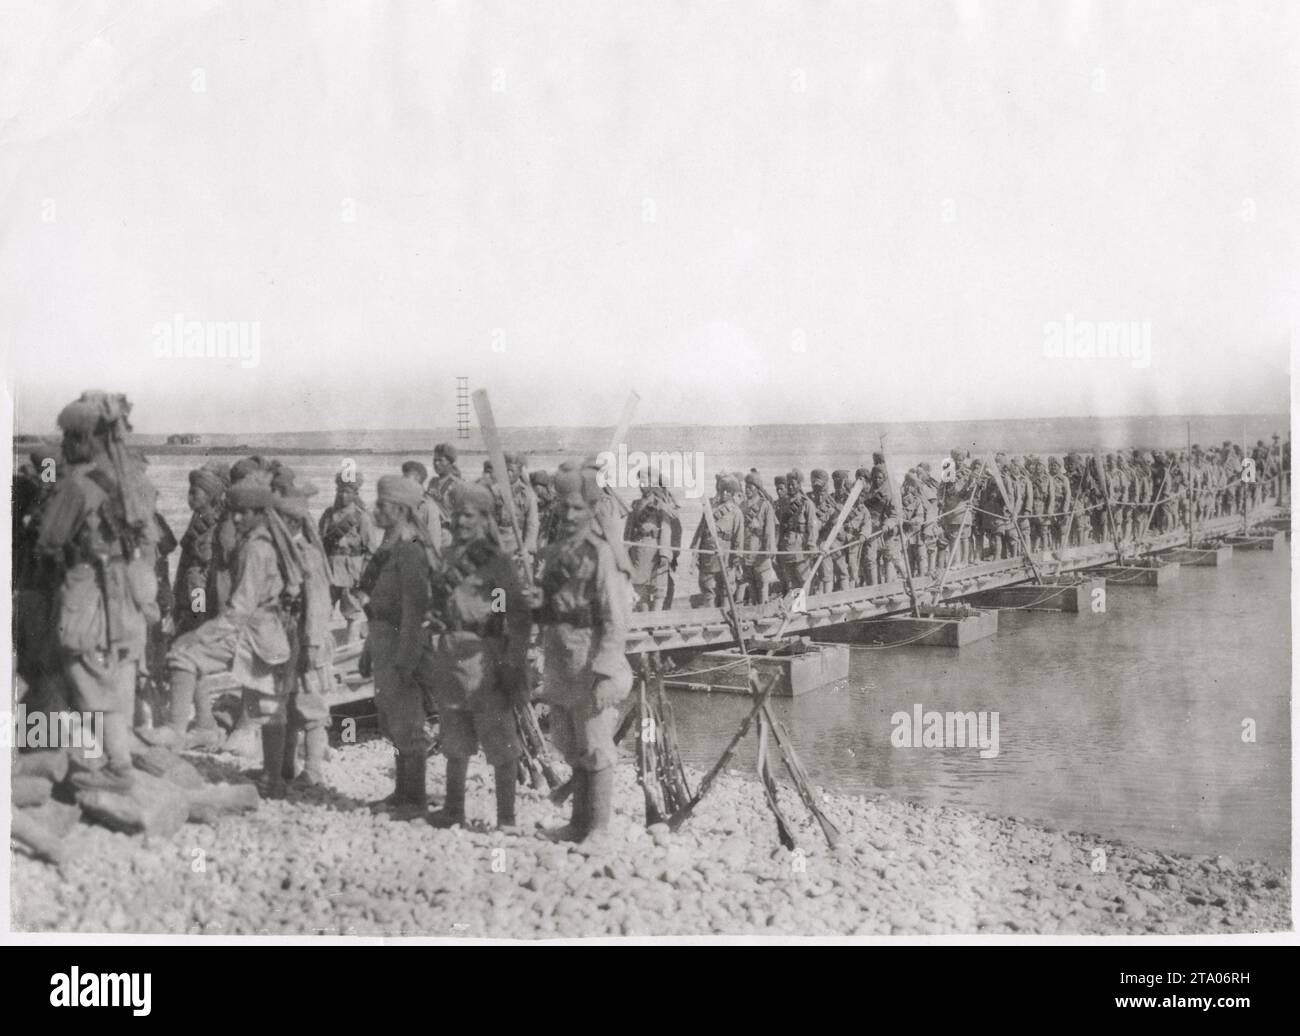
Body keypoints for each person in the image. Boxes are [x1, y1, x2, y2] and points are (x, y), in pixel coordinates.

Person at [35, 392, 160, 790]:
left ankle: (117, 768)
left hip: (89, 590)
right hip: (126, 592)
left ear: (84, 439)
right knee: (116, 670)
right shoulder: (127, 482)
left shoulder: (78, 486)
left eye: (70, 437)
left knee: (86, 670)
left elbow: (49, 539)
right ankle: (115, 755)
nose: (65, 445)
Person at [166, 480, 294, 787]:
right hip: (268, 633)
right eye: (234, 512)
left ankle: (173, 739)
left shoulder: (253, 548)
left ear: (259, 513)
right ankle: (275, 777)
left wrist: (198, 632)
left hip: (251, 632)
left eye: (243, 513)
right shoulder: (269, 540)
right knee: (269, 706)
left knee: (182, 656)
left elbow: (239, 608)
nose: (236, 519)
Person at [534, 464, 634, 845]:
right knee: (567, 742)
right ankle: (576, 825)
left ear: (593, 509)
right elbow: (550, 607)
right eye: (565, 507)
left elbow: (615, 617)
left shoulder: (601, 556)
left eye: (578, 508)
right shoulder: (559, 553)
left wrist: (608, 671)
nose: (570, 514)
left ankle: (598, 828)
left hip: (591, 664)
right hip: (561, 662)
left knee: (595, 746)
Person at [426, 482, 531, 829]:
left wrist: (509, 660)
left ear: (484, 519)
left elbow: (511, 611)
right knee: (454, 738)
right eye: (455, 515)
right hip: (451, 655)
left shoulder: (495, 562)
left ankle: (507, 817)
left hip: (483, 657)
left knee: (500, 741)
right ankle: (453, 810)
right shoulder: (447, 555)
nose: (459, 522)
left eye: (467, 515)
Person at [357, 475, 436, 820]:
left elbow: (414, 611)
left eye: (382, 505)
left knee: (407, 721)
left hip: (399, 646)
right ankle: (401, 793)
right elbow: (377, 600)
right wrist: (367, 649)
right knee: (392, 718)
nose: (376, 510)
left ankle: (414, 800)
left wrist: (407, 657)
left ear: (401, 509)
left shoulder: (410, 550)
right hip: (383, 642)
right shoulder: (391, 546)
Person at [272, 476, 334, 788]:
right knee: (287, 702)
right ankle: (284, 767)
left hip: (306, 640)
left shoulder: (307, 554)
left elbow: (319, 603)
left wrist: (312, 643)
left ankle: (312, 771)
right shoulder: (283, 552)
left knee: (311, 706)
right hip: (285, 640)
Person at [319, 470, 374, 641]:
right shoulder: (328, 515)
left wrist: (364, 576)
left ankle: (351, 649)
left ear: (355, 493)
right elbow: (319, 544)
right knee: (321, 611)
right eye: (340, 490)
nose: (342, 495)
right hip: (329, 571)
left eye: (347, 491)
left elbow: (371, 550)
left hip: (351, 573)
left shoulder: (361, 518)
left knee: (353, 614)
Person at [174, 467, 225, 635]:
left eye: (194, 493)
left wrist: (198, 611)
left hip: (199, 592)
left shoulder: (216, 525)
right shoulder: (198, 520)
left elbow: (200, 573)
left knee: (196, 627)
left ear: (210, 496)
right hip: (191, 592)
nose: (189, 497)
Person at [690, 474, 744, 606]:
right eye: (722, 490)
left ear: (732, 493)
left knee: (726, 590)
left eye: (727, 491)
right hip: (708, 555)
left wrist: (737, 557)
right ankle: (711, 618)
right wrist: (696, 552)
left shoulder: (736, 512)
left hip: (725, 555)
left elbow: (738, 537)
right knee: (708, 588)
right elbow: (701, 532)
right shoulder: (710, 510)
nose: (724, 493)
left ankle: (726, 617)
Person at [625, 478, 676, 611]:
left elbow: (666, 529)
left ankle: (656, 621)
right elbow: (629, 529)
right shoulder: (636, 505)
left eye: (645, 482)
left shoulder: (660, 504)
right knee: (640, 587)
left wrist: (664, 553)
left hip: (655, 549)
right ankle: (644, 619)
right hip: (638, 550)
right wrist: (625, 550)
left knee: (658, 587)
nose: (641, 485)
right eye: (640, 482)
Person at [778, 469, 818, 593]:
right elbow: (781, 527)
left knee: (804, 579)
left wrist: (811, 546)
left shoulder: (807, 504)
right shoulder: (784, 503)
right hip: (787, 547)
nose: (790, 487)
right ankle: (798, 608)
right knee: (792, 581)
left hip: (801, 547)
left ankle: (809, 604)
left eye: (793, 484)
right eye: (788, 484)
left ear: (799, 485)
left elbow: (812, 526)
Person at [741, 471, 778, 602]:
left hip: (760, 552)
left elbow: (769, 531)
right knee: (751, 584)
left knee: (762, 584)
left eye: (750, 488)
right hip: (747, 552)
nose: (747, 490)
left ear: (757, 489)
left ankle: (763, 612)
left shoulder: (765, 506)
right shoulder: (742, 506)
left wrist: (768, 551)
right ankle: (755, 613)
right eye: (746, 487)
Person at [424, 443, 463, 549]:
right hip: (432, 527)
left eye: (440, 460)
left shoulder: (457, 484)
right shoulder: (432, 482)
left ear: (450, 462)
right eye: (434, 460)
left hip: (447, 533)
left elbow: (461, 512)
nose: (436, 463)